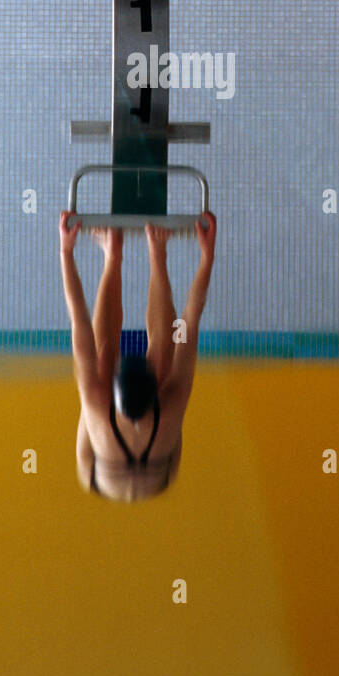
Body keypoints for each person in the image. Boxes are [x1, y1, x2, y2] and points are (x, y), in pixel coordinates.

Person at [58, 212, 217, 502]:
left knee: (100, 355)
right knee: (166, 356)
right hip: (162, 474)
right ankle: (157, 253)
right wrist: (207, 257)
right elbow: (189, 323)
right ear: (156, 389)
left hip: (96, 476)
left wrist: (66, 252)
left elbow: (78, 319)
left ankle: (112, 254)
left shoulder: (96, 402)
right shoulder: (170, 404)